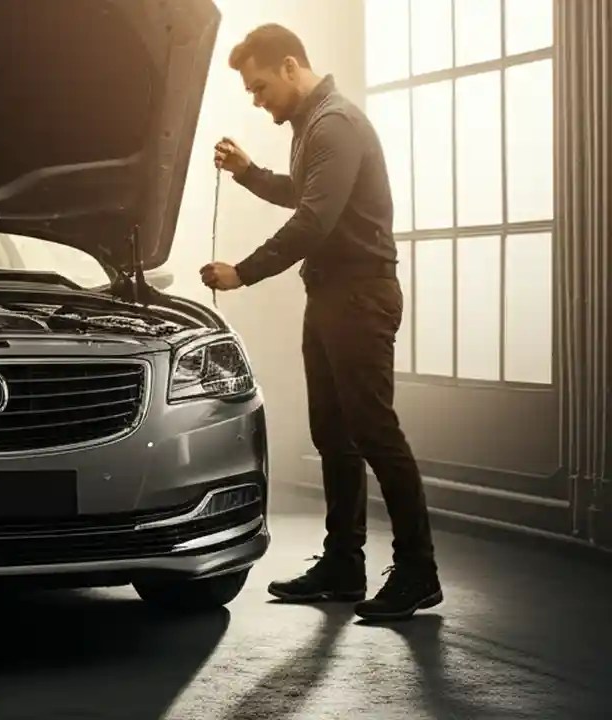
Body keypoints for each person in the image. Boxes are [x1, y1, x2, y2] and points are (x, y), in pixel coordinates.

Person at [201, 23, 441, 621]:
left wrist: (243, 272)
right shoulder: (313, 124)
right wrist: (249, 172)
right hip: (333, 295)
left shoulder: (334, 124)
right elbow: (305, 193)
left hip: (360, 297)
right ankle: (343, 565)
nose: (258, 101)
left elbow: (313, 220)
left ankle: (418, 571)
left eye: (260, 87)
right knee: (333, 434)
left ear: (290, 66)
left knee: (374, 432)